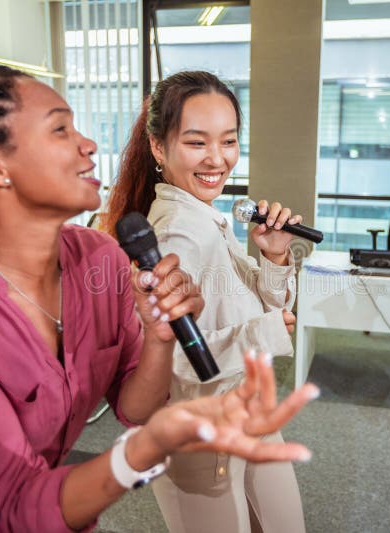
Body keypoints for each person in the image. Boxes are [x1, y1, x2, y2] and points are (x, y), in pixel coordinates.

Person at [0, 65, 319, 533]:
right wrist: (146, 448)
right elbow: (18, 499)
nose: (89, 144)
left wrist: (157, 340)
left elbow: (133, 406)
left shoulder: (102, 258)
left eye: (229, 139)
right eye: (60, 130)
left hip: (40, 495)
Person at [105, 70, 305, 533]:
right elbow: (175, 359)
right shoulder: (175, 232)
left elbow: (247, 299)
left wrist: (274, 257)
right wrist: (267, 331)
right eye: (197, 143)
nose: (218, 159)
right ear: (159, 147)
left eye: (229, 141)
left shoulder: (205, 214)